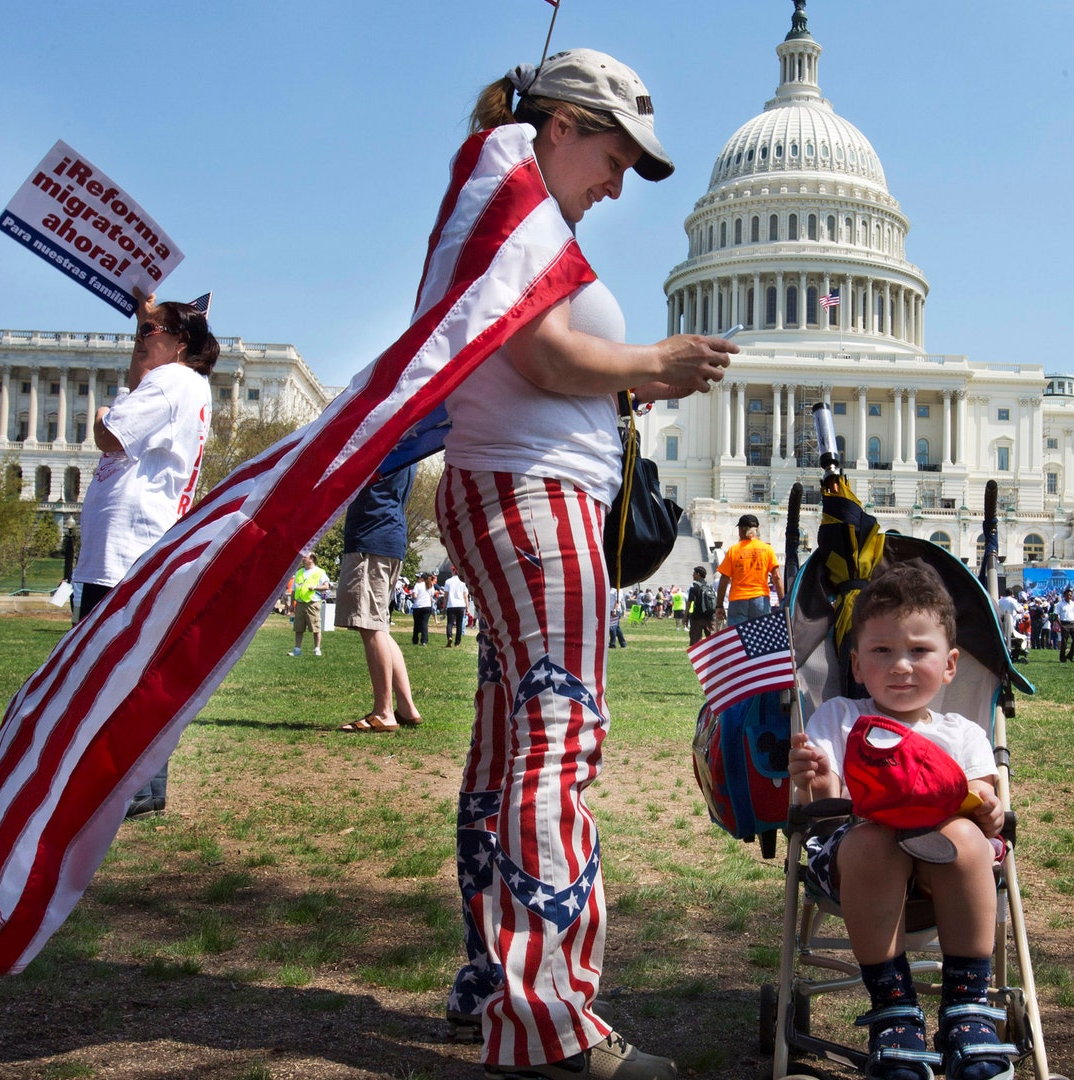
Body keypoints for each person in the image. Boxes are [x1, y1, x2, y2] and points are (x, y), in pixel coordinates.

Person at [433, 50, 736, 1080]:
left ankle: (493, 983)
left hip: (508, 483)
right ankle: (546, 1023)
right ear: (560, 126)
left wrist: (623, 391)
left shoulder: (512, 204)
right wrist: (654, 361)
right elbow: (541, 353)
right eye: (615, 156)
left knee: (509, 743)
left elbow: (535, 357)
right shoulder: (521, 206)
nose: (618, 183)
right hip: (532, 494)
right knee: (556, 742)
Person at [787, 561, 1013, 1080]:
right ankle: (894, 1010)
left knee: (964, 836)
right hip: (860, 860)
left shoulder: (962, 734)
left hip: (948, 867)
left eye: (919, 651)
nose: (901, 666)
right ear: (857, 664)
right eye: (882, 651)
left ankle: (967, 1008)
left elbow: (983, 799)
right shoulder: (840, 718)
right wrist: (815, 777)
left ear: (950, 664)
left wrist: (989, 806)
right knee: (874, 841)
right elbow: (827, 804)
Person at [74, 291, 217, 819]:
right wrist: (145, 324)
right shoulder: (177, 381)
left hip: (127, 547)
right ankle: (142, 787)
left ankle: (126, 786)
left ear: (180, 342)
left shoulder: (172, 380)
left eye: (150, 332)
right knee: (134, 668)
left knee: (111, 671)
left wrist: (103, 411)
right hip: (138, 542)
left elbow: (110, 435)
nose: (140, 340)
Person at [333, 467, 424, 733]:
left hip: (370, 539)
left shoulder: (382, 448)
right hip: (389, 539)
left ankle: (384, 712)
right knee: (378, 625)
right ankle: (406, 708)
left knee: (371, 625)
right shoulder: (407, 452)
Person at [717, 512, 782, 627]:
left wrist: (719, 605)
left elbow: (724, 580)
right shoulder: (767, 549)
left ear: (740, 530)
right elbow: (776, 576)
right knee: (760, 635)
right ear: (757, 529)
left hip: (738, 599)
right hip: (761, 599)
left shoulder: (733, 550)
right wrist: (783, 601)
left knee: (738, 636)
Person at [288, 553, 331, 656]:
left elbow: (326, 586)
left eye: (305, 557)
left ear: (312, 559)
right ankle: (297, 649)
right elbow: (294, 590)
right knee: (298, 628)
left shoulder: (320, 572)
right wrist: (291, 603)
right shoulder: (299, 572)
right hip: (300, 603)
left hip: (312, 603)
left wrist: (315, 587)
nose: (302, 559)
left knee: (316, 627)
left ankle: (317, 649)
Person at [684, 564, 716, 645]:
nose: (692, 575)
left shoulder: (694, 587)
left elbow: (689, 603)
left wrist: (685, 617)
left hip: (697, 617)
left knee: (696, 643)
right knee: (713, 642)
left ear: (698, 574)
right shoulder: (710, 587)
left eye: (694, 573)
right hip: (710, 617)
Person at [441, 569, 470, 647]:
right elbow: (465, 596)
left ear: (453, 571)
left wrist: (444, 607)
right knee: (459, 624)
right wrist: (467, 607)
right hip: (461, 605)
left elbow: (446, 596)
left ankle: (449, 637)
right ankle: (457, 642)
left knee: (450, 623)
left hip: (451, 605)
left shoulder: (448, 581)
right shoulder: (463, 582)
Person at [409, 570, 435, 646]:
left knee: (416, 623)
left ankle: (415, 640)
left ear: (422, 578)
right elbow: (432, 595)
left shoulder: (418, 585)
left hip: (418, 606)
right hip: (427, 606)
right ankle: (424, 640)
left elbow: (415, 596)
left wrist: (413, 597)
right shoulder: (430, 585)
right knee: (424, 623)